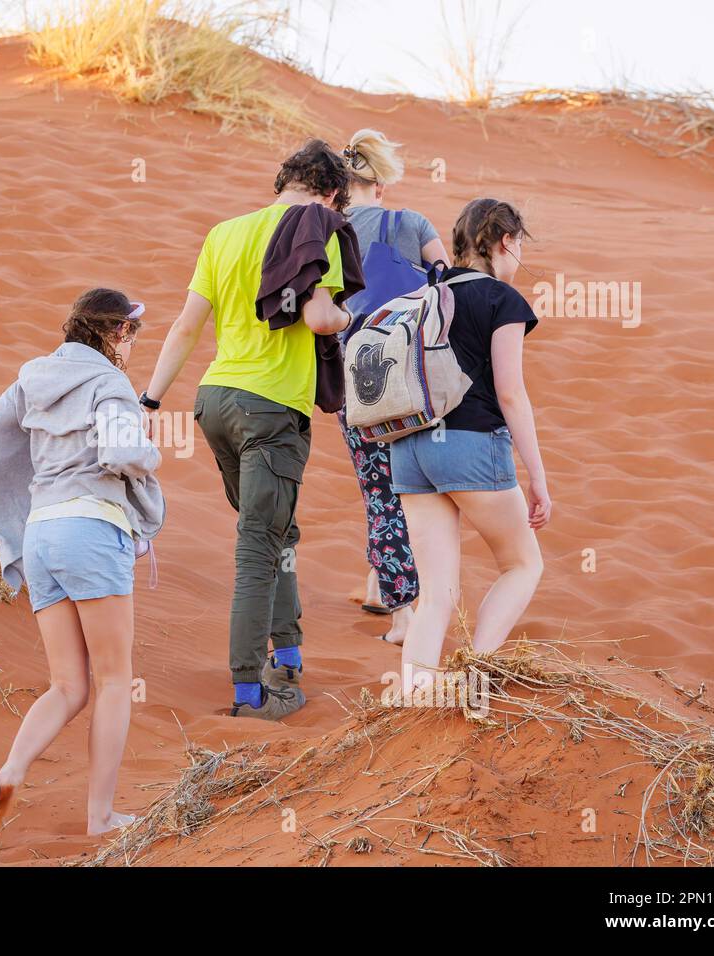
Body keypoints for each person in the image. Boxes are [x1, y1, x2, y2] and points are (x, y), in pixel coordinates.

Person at [141, 140, 352, 720]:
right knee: (259, 546)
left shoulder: (224, 233)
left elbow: (186, 326)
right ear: (332, 193)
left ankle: (287, 654)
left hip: (215, 402)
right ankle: (249, 694)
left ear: (285, 180)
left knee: (274, 531)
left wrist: (151, 398)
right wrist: (348, 315)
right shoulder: (318, 230)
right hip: (273, 408)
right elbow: (317, 317)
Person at [0, 288, 164, 849]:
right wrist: (151, 453)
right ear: (116, 333)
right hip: (92, 528)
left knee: (69, 685)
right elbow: (121, 451)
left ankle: (6, 777)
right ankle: (101, 819)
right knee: (115, 680)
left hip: (39, 534)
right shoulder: (109, 384)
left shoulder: (33, 379)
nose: (134, 342)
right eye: (132, 332)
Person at [390, 199, 550, 696]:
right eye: (519, 244)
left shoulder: (428, 294)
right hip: (470, 445)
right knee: (523, 564)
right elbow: (510, 392)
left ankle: (415, 699)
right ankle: (474, 675)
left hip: (408, 446)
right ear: (505, 242)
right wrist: (538, 478)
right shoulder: (502, 300)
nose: (518, 254)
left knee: (437, 592)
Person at [338, 129, 450, 645]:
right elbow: (447, 288)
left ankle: (398, 607)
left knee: (377, 489)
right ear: (379, 184)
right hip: (414, 377)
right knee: (418, 489)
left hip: (355, 380)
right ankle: (412, 598)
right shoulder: (412, 223)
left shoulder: (324, 234)